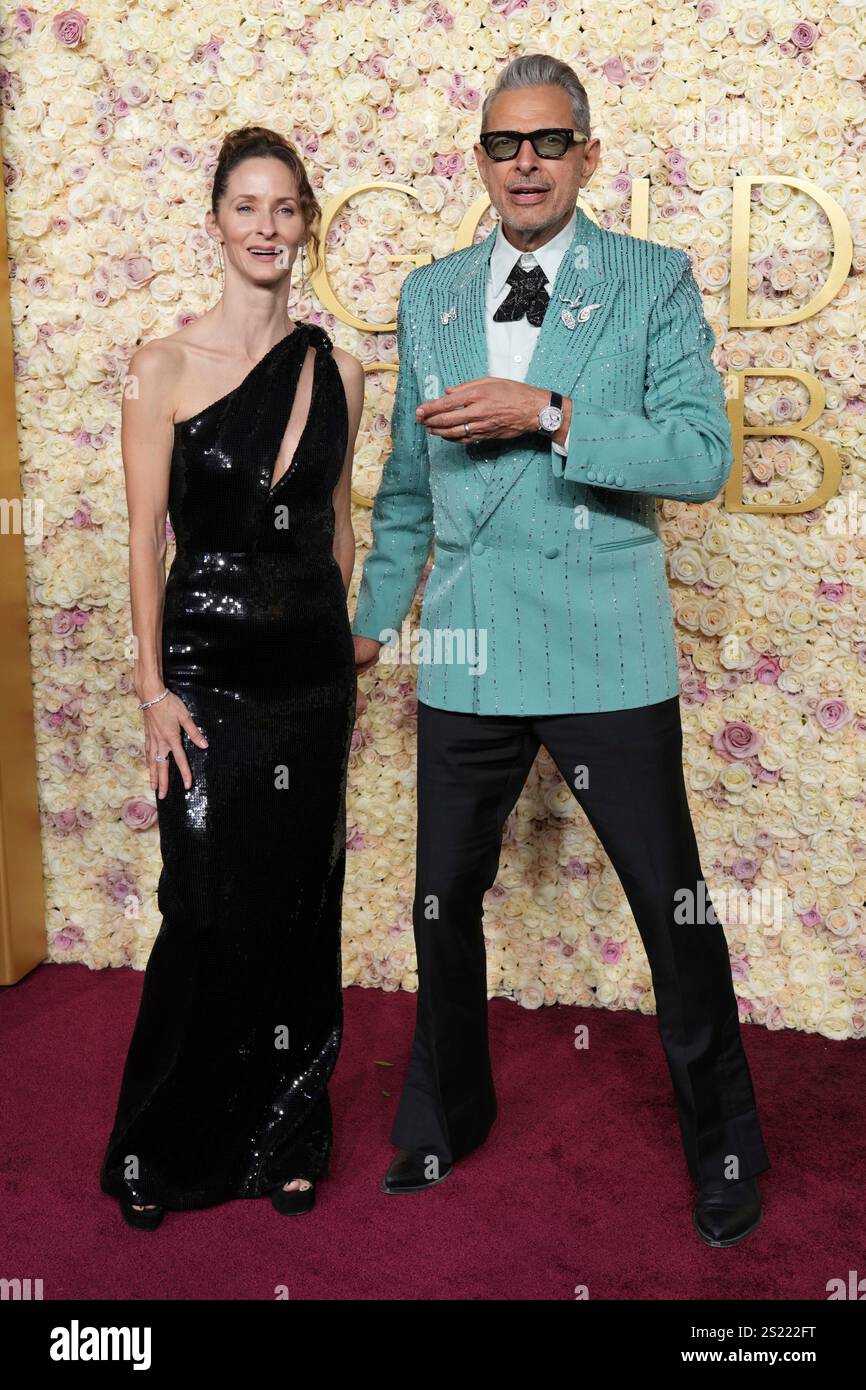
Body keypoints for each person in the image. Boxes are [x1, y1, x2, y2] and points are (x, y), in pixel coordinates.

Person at [351, 54, 770, 1247]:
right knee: (441, 903)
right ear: (477, 161)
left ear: (587, 156)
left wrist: (549, 415)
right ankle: (443, 1115)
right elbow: (399, 496)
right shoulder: (428, 293)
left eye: (547, 141)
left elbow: (699, 459)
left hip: (603, 655)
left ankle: (722, 1145)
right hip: (468, 658)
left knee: (671, 908)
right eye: (501, 143)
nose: (523, 162)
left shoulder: (651, 281)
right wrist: (371, 623)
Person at [100, 126, 363, 1229]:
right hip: (204, 680)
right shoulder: (161, 365)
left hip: (309, 683)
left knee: (299, 909)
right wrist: (155, 690)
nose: (266, 228)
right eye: (246, 207)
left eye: (285, 208)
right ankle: (162, 1143)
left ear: (305, 224)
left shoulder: (339, 365)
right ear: (214, 221)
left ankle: (286, 1135)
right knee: (202, 908)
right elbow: (143, 543)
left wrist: (343, 644)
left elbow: (338, 529)